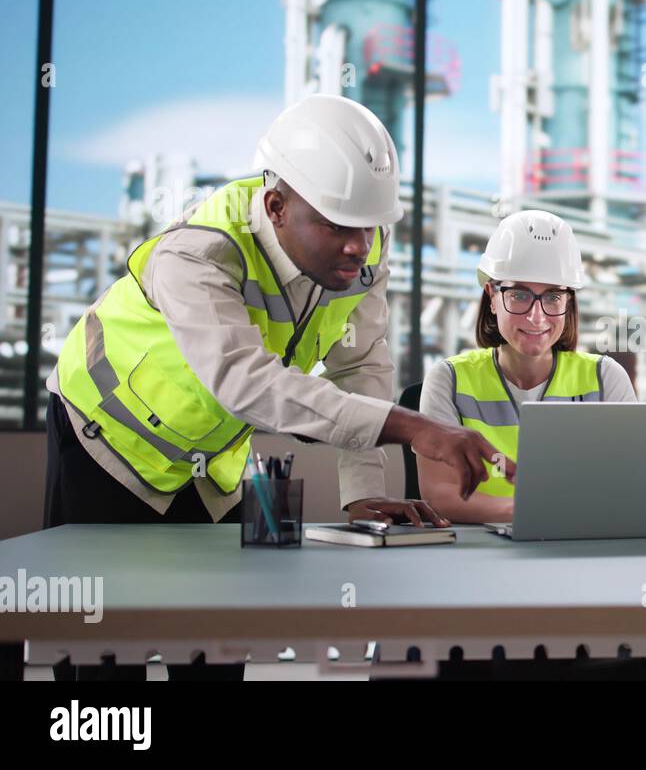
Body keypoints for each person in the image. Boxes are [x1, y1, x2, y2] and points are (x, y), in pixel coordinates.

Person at [43, 94, 510, 680]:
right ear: (276, 206)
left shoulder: (361, 255)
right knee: (104, 648)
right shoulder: (198, 253)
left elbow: (359, 363)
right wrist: (417, 427)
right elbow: (245, 381)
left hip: (207, 461)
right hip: (105, 440)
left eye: (370, 225)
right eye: (338, 225)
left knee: (221, 643)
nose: (358, 246)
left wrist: (361, 492)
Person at [418, 210, 635, 522]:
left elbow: (629, 485)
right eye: (519, 295)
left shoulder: (604, 378)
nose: (537, 317)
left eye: (553, 297)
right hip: (479, 551)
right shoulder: (449, 380)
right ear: (492, 296)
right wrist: (528, 513)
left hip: (580, 548)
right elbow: (440, 492)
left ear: (569, 301)